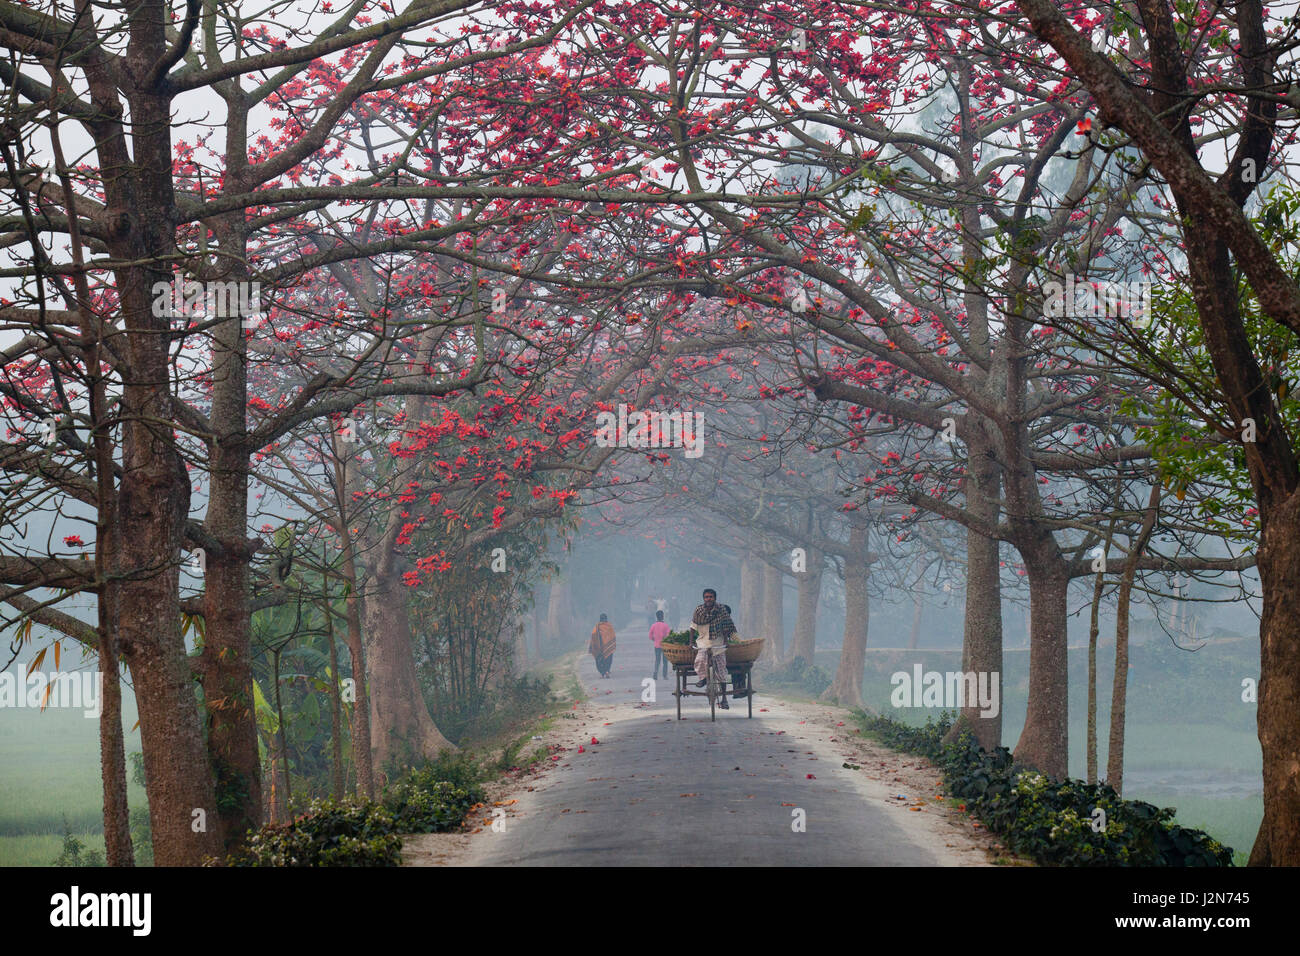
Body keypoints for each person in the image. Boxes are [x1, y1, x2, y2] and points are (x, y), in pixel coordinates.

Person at [691, 588, 735, 709]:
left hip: (718, 644)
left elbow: (726, 627)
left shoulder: (721, 610)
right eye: (706, 597)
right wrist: (690, 642)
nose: (708, 599)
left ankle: (724, 699)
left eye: (710, 597)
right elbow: (693, 627)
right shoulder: (698, 611)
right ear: (703, 598)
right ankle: (703, 678)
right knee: (699, 661)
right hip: (703, 643)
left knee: (721, 672)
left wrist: (726, 641)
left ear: (714, 598)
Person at [589, 613, 617, 679]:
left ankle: (602, 673)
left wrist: (595, 644)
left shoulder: (597, 627)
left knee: (599, 661)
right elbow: (613, 636)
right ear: (606, 619)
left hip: (599, 648)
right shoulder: (609, 626)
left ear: (600, 619)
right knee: (608, 660)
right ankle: (607, 671)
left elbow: (593, 635)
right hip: (608, 648)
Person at [649, 610, 671, 680]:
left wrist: (654, 640)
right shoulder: (666, 626)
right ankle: (665, 675)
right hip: (664, 646)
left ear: (656, 617)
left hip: (657, 645)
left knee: (657, 660)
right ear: (663, 616)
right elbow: (668, 636)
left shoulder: (653, 625)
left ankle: (655, 673)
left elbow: (650, 636)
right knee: (665, 661)